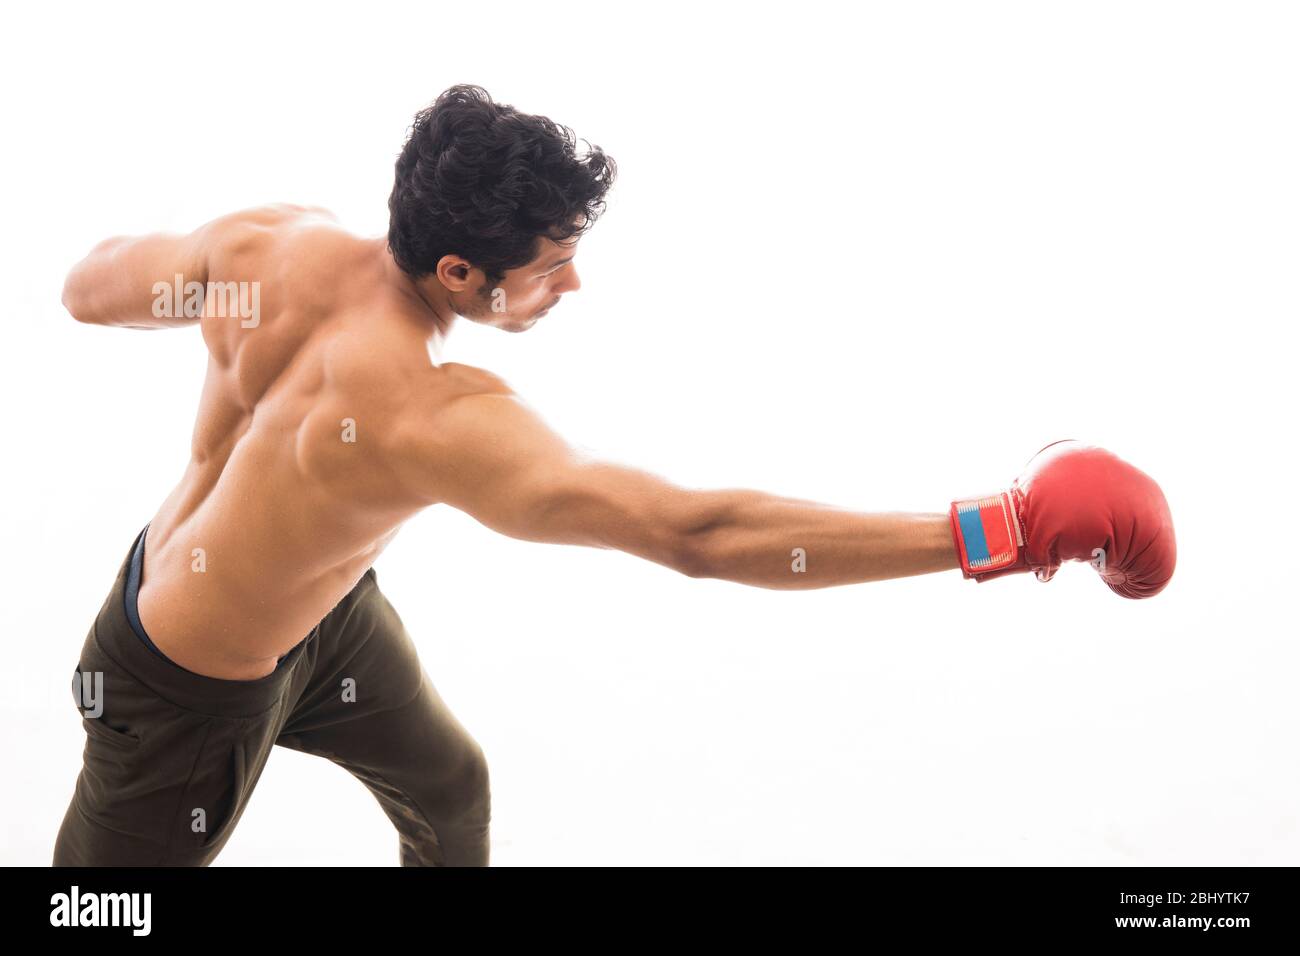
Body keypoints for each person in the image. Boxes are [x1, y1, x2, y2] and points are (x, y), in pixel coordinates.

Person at [52, 84, 1176, 867]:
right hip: (185, 689)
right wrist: (1003, 529)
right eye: (548, 267)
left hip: (324, 616)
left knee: (450, 792)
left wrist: (205, 292)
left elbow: (90, 285)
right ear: (458, 269)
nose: (572, 284)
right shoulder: (429, 417)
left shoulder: (266, 244)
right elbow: (698, 533)